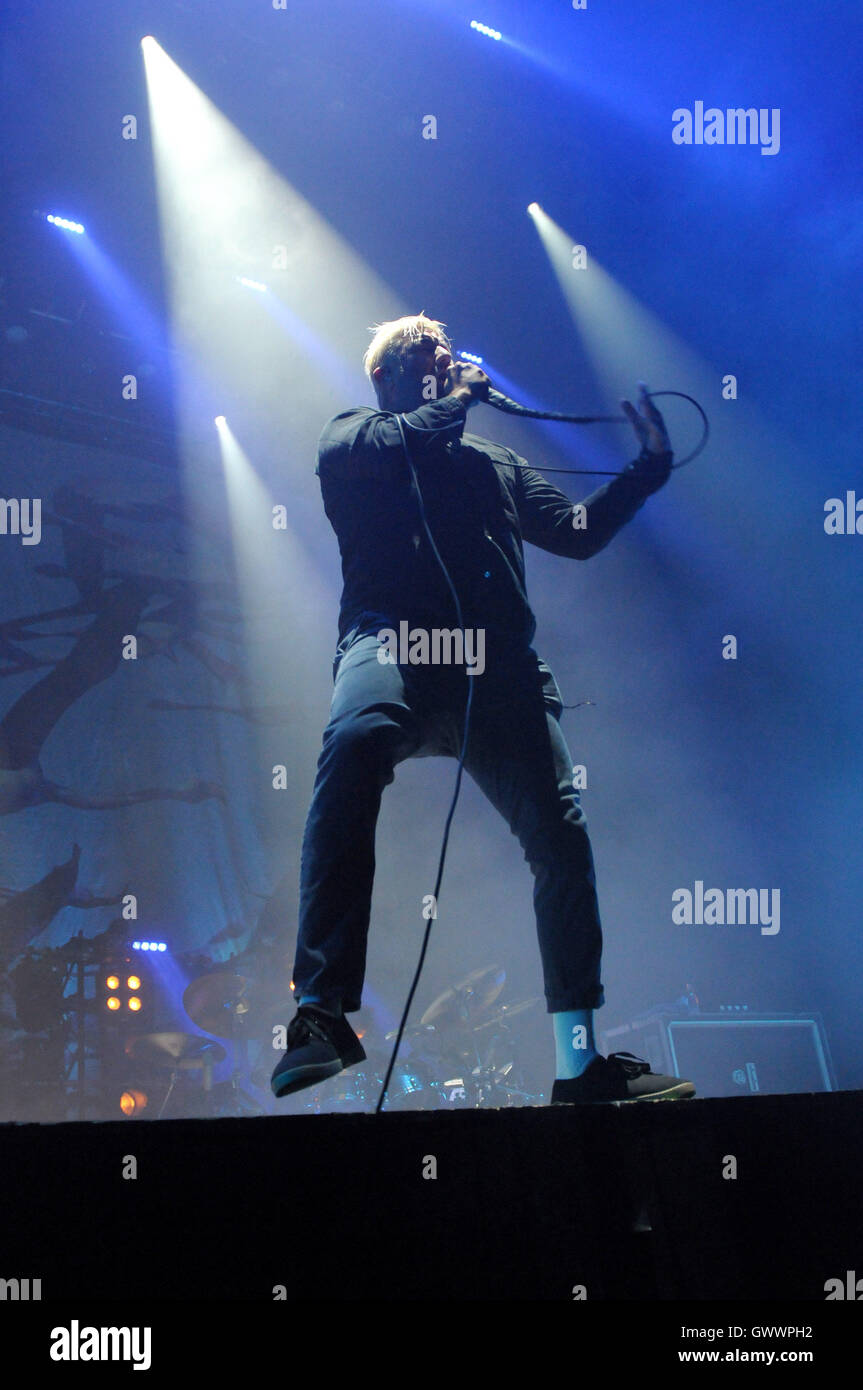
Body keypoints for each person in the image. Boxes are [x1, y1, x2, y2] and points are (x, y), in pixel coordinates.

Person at [271, 314, 695, 1105]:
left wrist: (645, 473)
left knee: (559, 836)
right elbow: (406, 443)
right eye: (427, 353)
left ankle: (579, 1066)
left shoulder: (493, 461)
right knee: (355, 744)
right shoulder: (353, 437)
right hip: (392, 648)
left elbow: (573, 533)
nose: (449, 358)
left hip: (494, 669)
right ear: (387, 377)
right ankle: (319, 1013)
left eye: (450, 351)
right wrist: (458, 396)